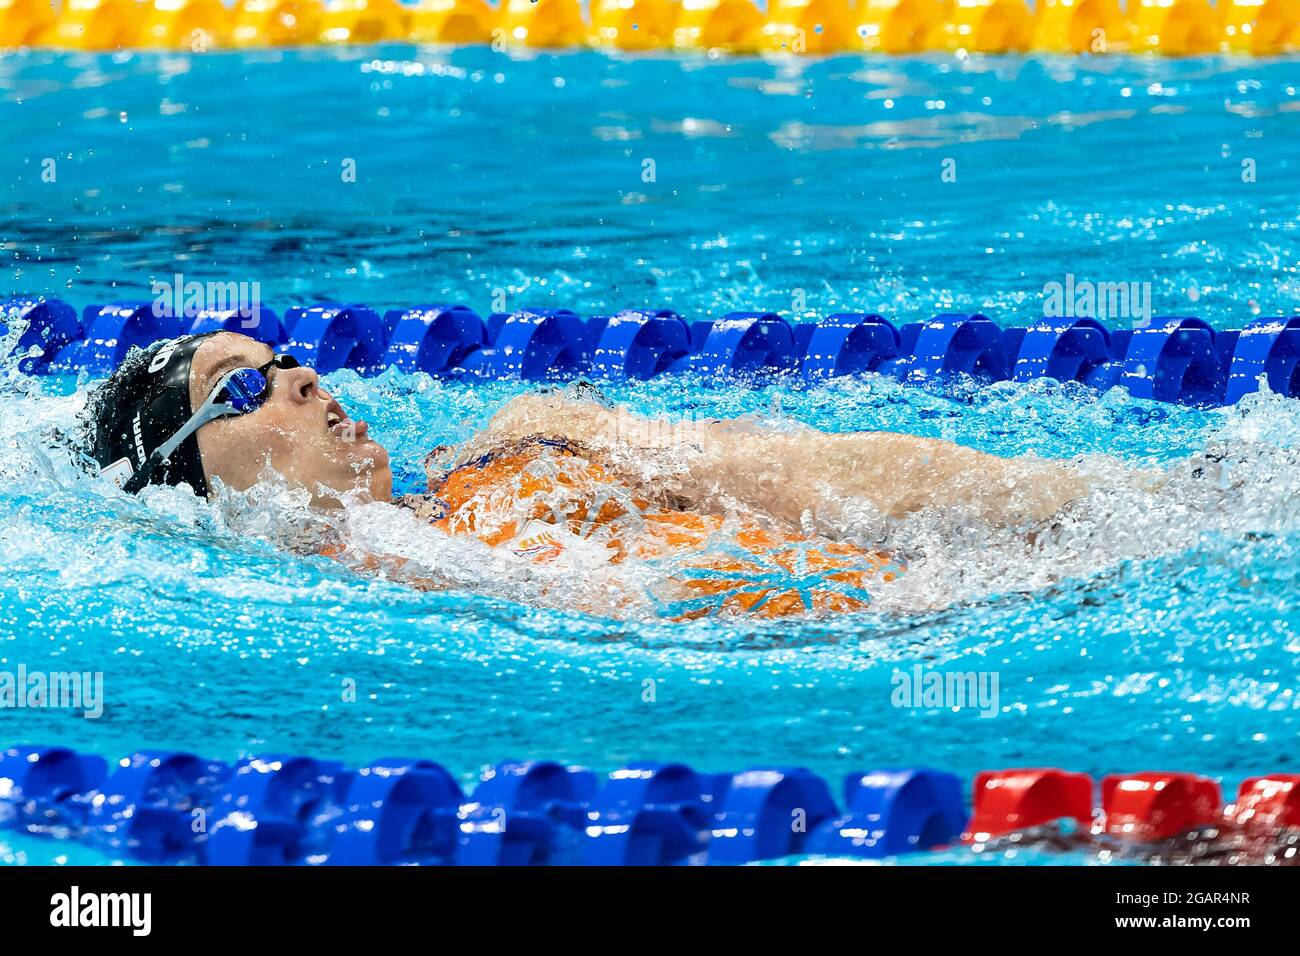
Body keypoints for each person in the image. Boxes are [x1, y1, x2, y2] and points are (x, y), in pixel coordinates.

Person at [77, 331, 1100, 620]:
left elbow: (804, 472)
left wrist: (1077, 508)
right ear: (185, 479)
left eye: (285, 358)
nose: (301, 375)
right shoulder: (371, 576)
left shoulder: (523, 441)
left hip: (1026, 554)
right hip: (963, 604)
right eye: (242, 386)